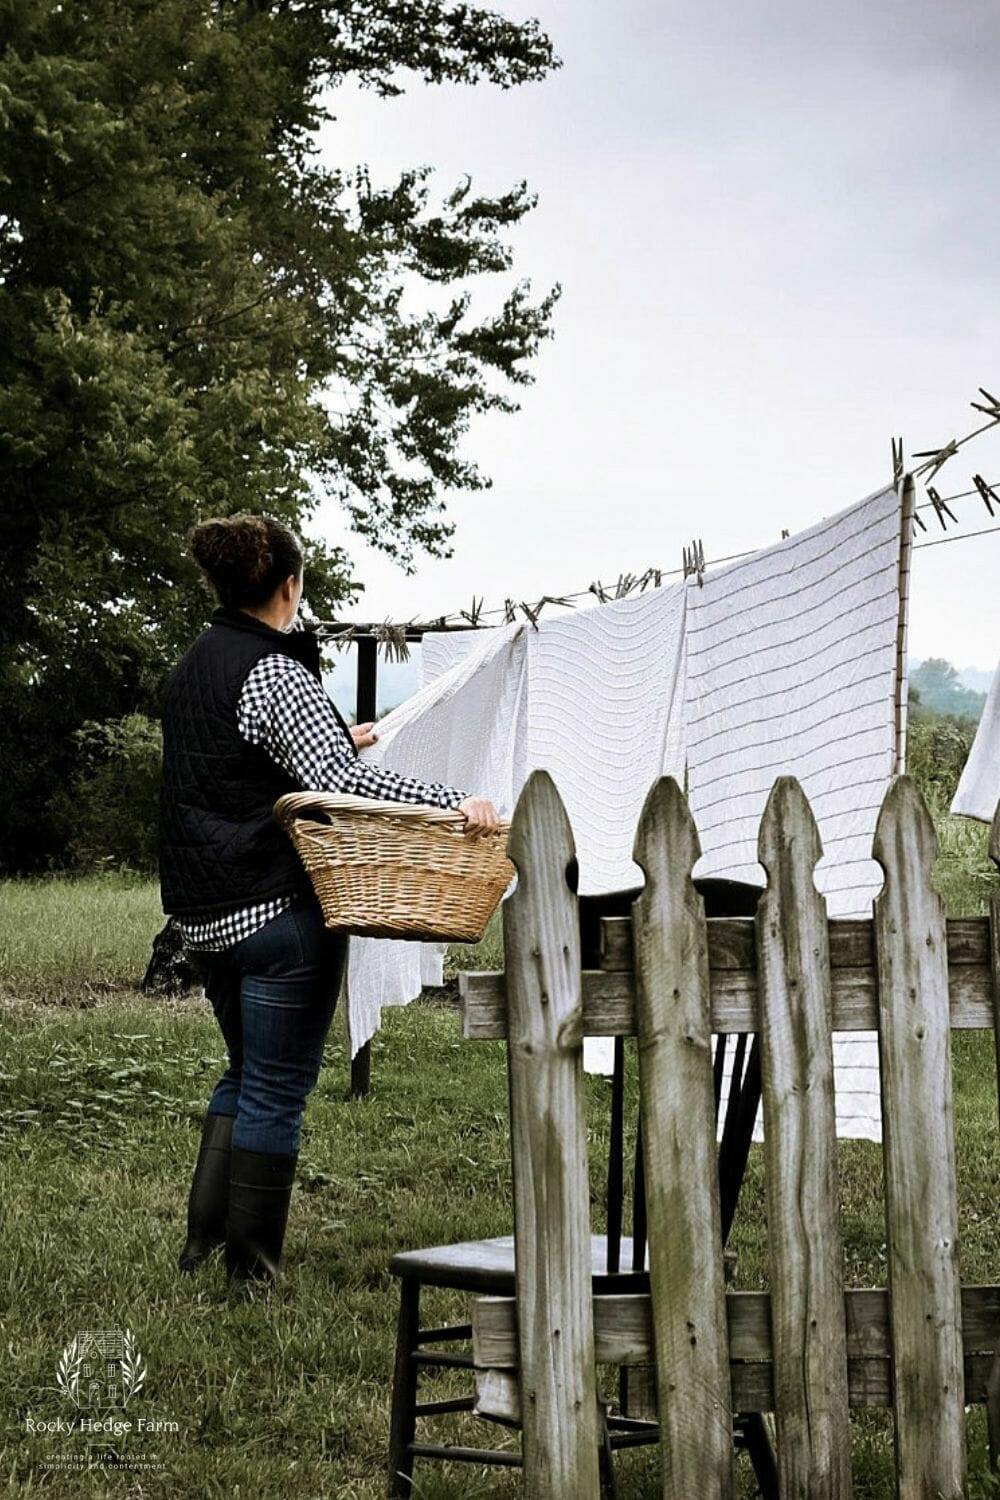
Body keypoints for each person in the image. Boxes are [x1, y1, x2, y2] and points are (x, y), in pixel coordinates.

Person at [159, 514, 499, 1287]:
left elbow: (235, 761)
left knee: (244, 1071)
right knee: (276, 1087)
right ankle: (252, 1272)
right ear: (289, 585)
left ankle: (201, 1247)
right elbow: (342, 786)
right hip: (276, 910)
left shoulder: (194, 666)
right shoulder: (277, 672)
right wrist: (457, 802)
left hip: (204, 915)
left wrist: (338, 734)